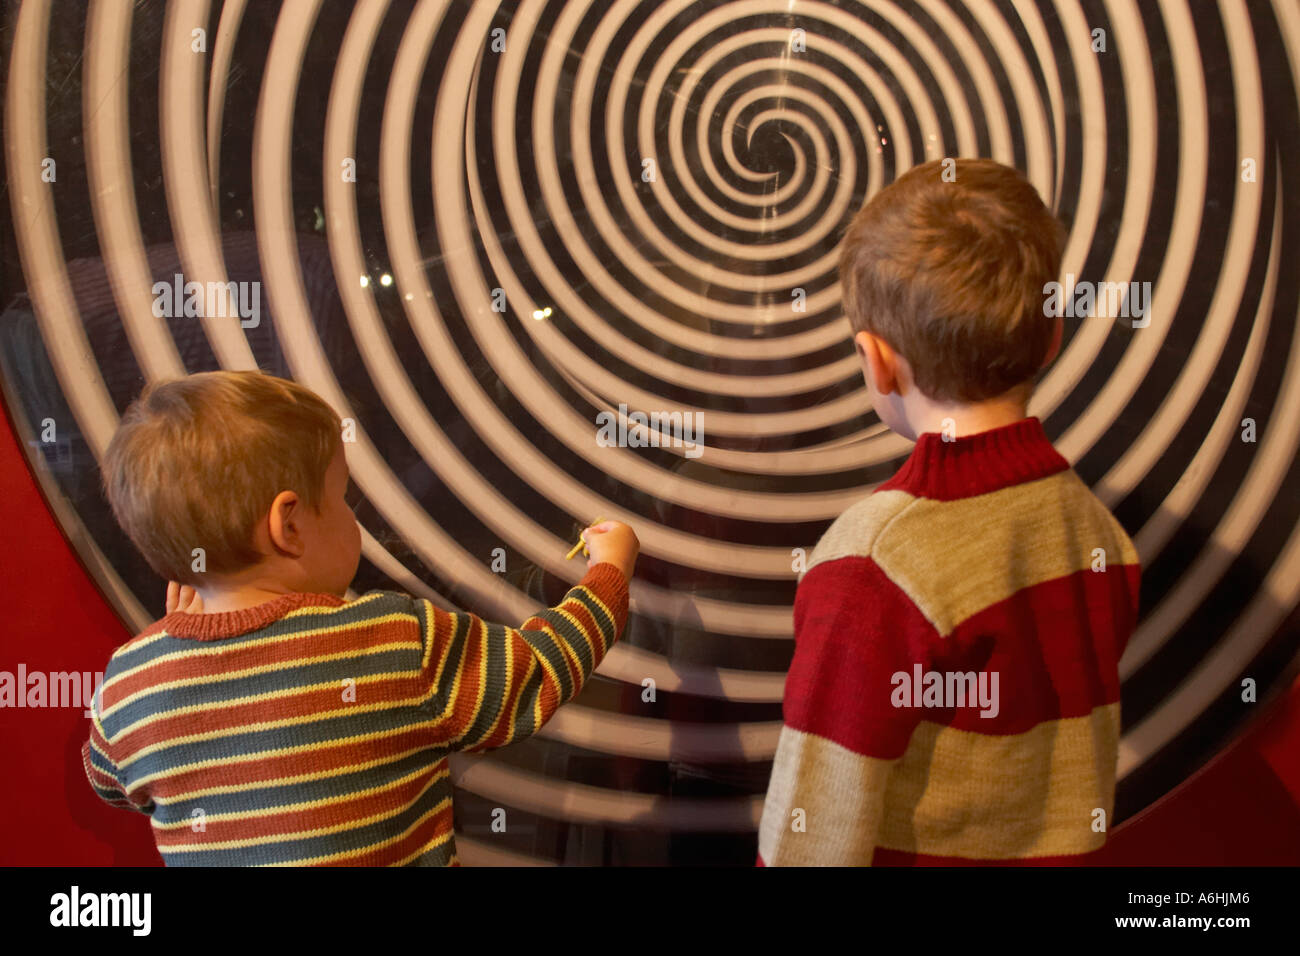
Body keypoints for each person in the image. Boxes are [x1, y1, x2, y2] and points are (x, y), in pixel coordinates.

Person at [81, 369, 638, 865]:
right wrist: (608, 575)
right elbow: (536, 672)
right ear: (289, 526)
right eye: (343, 496)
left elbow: (108, 777)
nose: (354, 515)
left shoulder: (132, 686)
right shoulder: (393, 642)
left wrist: (164, 648)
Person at [757, 158, 1141, 865]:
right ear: (1052, 338)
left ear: (877, 362)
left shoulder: (873, 565)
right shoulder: (1099, 536)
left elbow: (813, 828)